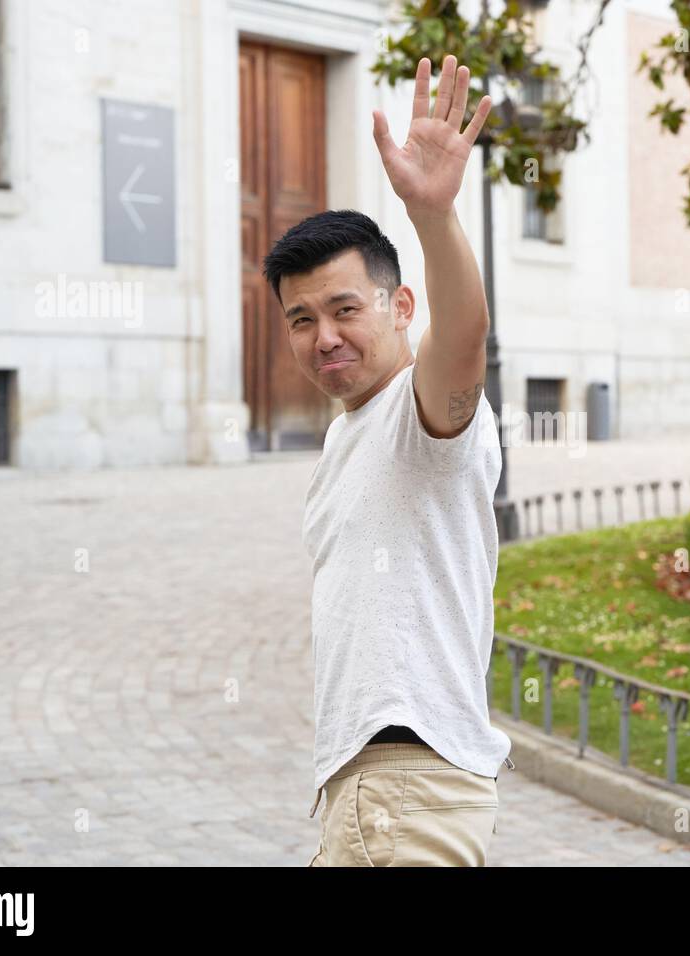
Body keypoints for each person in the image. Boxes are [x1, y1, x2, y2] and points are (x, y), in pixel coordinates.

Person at [264, 55, 510, 867]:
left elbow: (465, 338)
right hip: (376, 793)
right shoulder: (348, 433)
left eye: (343, 309)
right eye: (301, 319)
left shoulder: (419, 411)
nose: (323, 336)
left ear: (401, 306)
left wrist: (433, 215)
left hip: (404, 788)